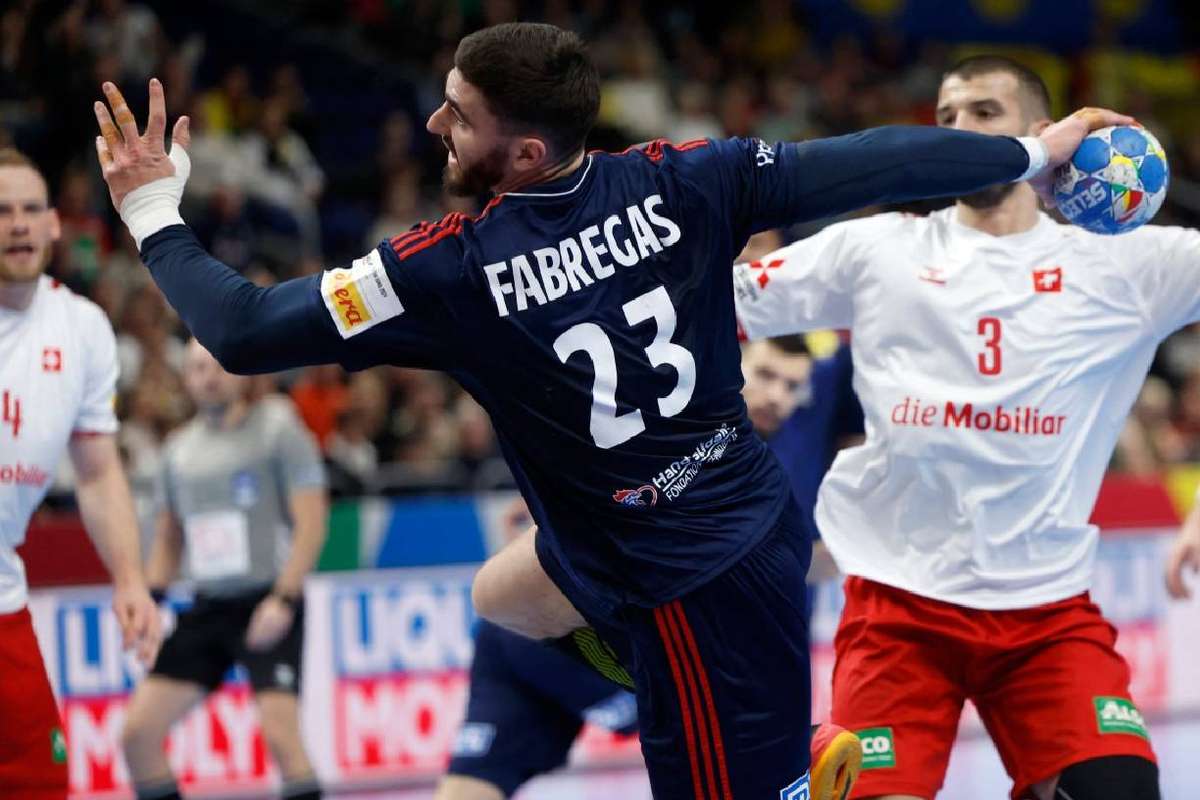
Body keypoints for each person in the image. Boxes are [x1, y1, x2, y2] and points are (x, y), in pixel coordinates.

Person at [91, 22, 1127, 798]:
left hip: (684, 584)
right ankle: (763, 735)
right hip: (735, 511)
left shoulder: (449, 271)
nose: (433, 124)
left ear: (526, 151)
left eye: (458, 112)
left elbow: (242, 328)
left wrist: (150, 205)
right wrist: (1029, 153)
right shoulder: (684, 179)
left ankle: (777, 760)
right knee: (503, 595)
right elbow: (877, 162)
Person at [730, 56, 1183, 800]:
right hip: (896, 609)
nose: (960, 132)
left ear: (1045, 137)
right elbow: (721, 303)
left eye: (983, 114)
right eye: (946, 120)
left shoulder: (1128, 267)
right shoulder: (878, 248)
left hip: (1047, 613)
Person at [439, 331, 863, 800]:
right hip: (551, 641)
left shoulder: (795, 455)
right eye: (765, 375)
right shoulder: (680, 423)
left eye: (792, 387)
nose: (778, 396)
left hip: (631, 651)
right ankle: (787, 746)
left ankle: (783, 746)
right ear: (732, 356)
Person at [0, 147, 160, 799]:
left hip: (3, 596)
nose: (17, 224)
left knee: (41, 779)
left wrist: (128, 578)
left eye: (31, 209)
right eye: (2, 211)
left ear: (54, 224)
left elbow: (97, 474)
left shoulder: (83, 328)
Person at [119, 339, 327, 800]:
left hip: (267, 602)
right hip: (209, 607)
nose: (209, 375)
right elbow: (170, 539)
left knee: (280, 736)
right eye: (197, 367)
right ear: (186, 378)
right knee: (137, 736)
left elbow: (312, 521)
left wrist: (284, 598)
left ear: (239, 369)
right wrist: (149, 599)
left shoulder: (277, 427)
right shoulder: (177, 451)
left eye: (216, 364)